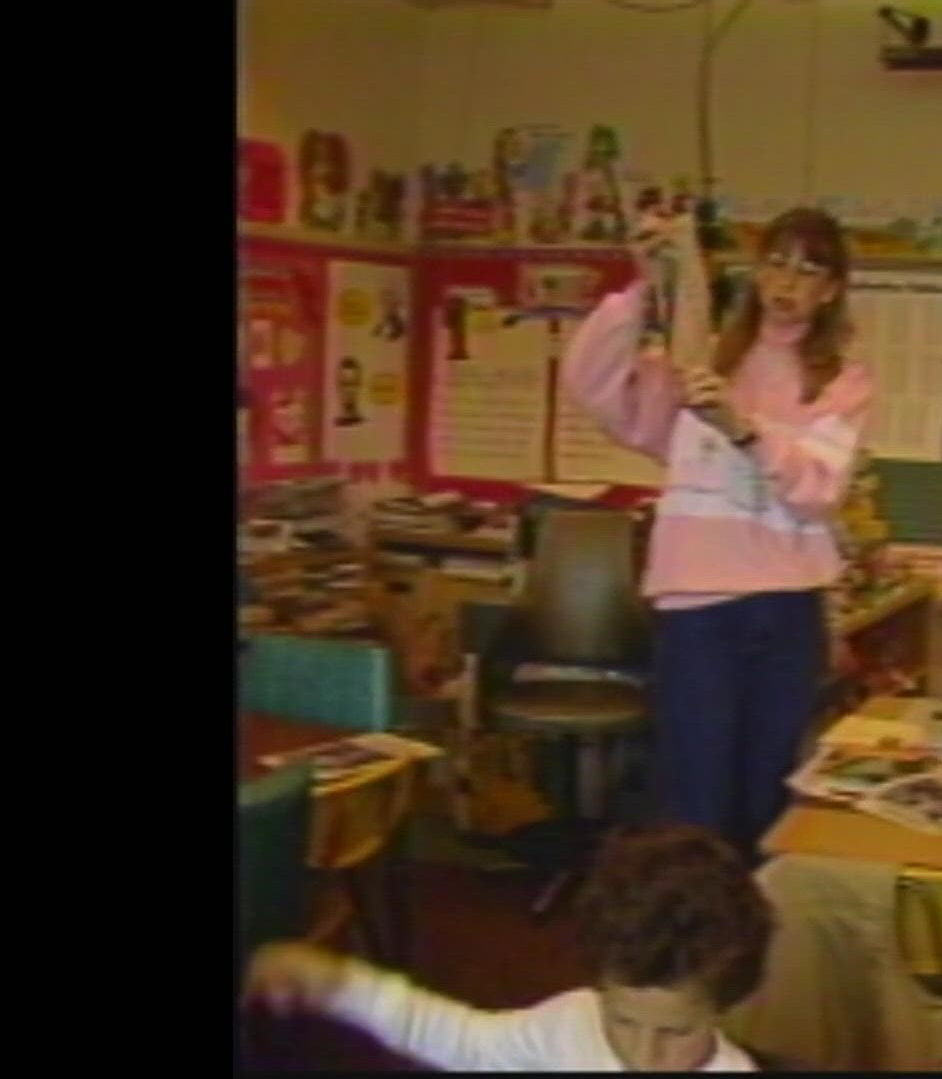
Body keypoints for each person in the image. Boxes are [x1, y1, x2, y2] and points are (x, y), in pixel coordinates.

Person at [562, 207, 872, 855]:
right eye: (777, 262)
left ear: (831, 289)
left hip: (787, 608)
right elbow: (591, 384)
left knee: (766, 795)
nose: (789, 282)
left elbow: (820, 489)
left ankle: (751, 941)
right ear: (758, 272)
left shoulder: (841, 383)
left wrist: (747, 430)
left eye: (809, 269)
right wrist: (646, 287)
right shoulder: (696, 357)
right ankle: (692, 944)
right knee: (695, 798)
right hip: (698, 605)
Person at [242, 826, 772, 1071]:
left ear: (723, 1005)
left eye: (676, 1032)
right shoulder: (572, 1025)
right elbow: (463, 1040)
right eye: (624, 1021)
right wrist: (337, 986)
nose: (644, 1056)